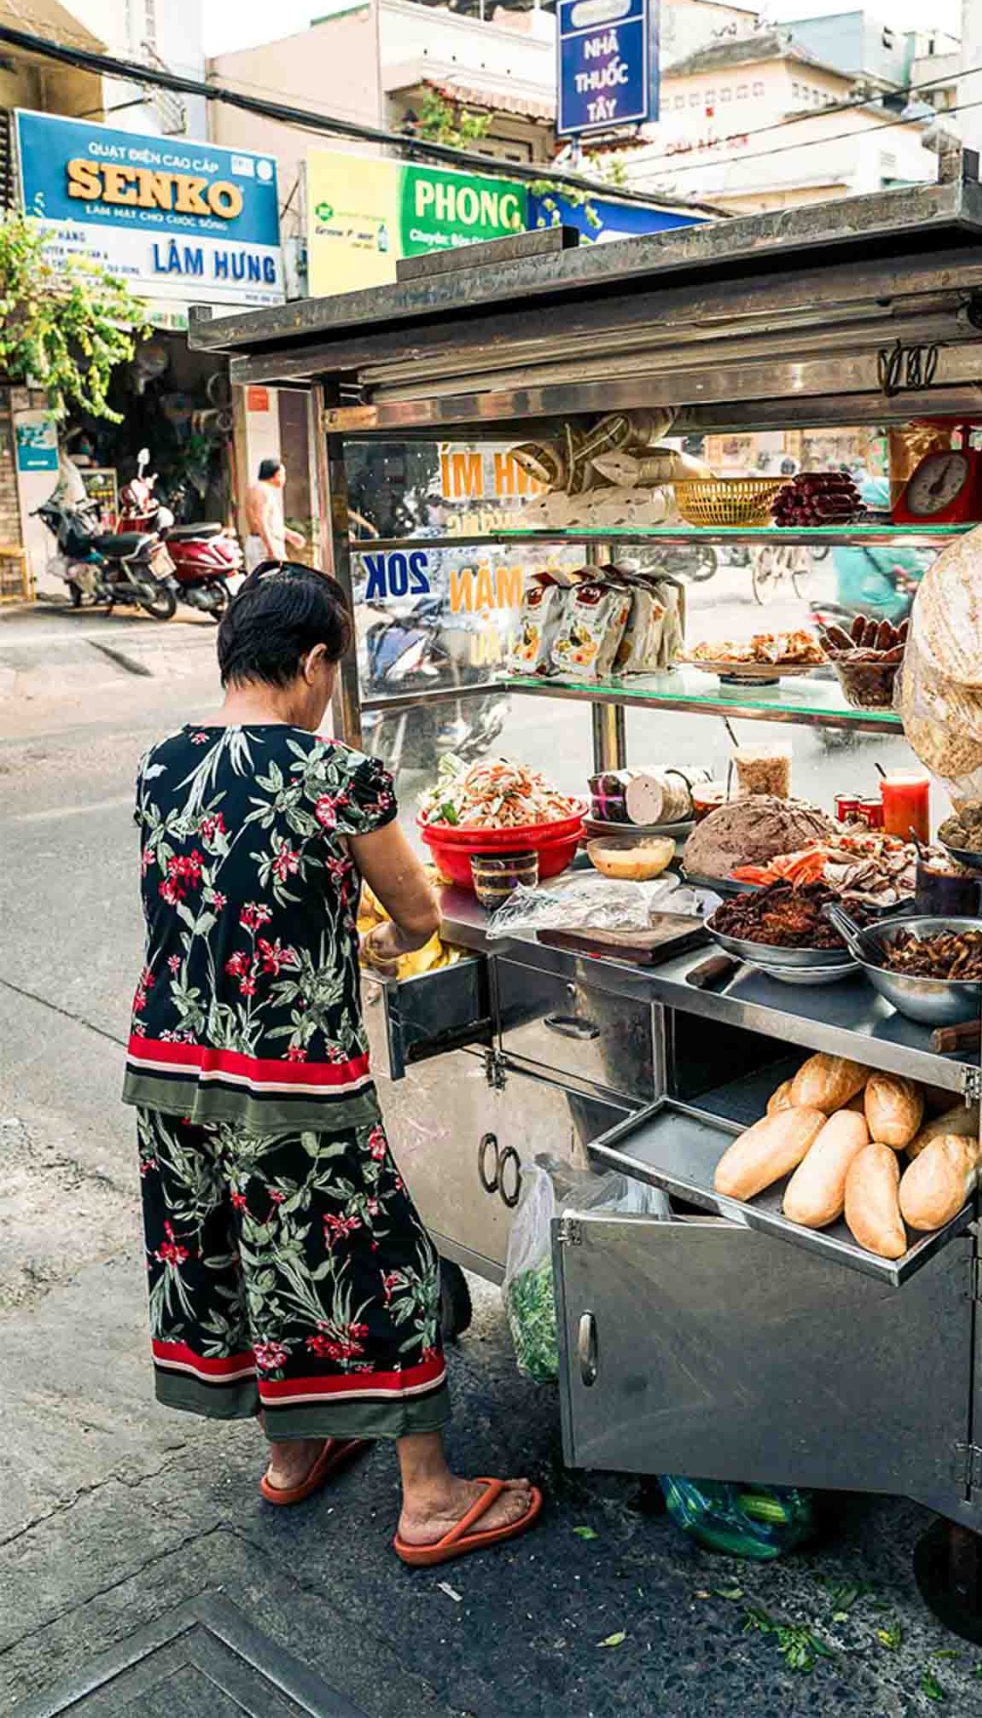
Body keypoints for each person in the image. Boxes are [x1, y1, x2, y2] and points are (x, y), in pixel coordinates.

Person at [126, 564, 542, 1563]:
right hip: (290, 1076)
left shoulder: (159, 764)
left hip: (169, 1064)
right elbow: (416, 913)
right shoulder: (335, 772)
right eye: (331, 671)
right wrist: (381, 943)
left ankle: (293, 1451)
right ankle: (432, 1497)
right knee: (374, 1258)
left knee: (243, 1247)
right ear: (313, 664)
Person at [243, 458, 306, 568]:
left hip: (263, 542)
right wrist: (271, 550)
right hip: (263, 545)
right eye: (283, 474)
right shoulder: (263, 492)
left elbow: (269, 522)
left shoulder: (258, 489)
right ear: (276, 475)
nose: (284, 479)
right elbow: (261, 522)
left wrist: (289, 535)